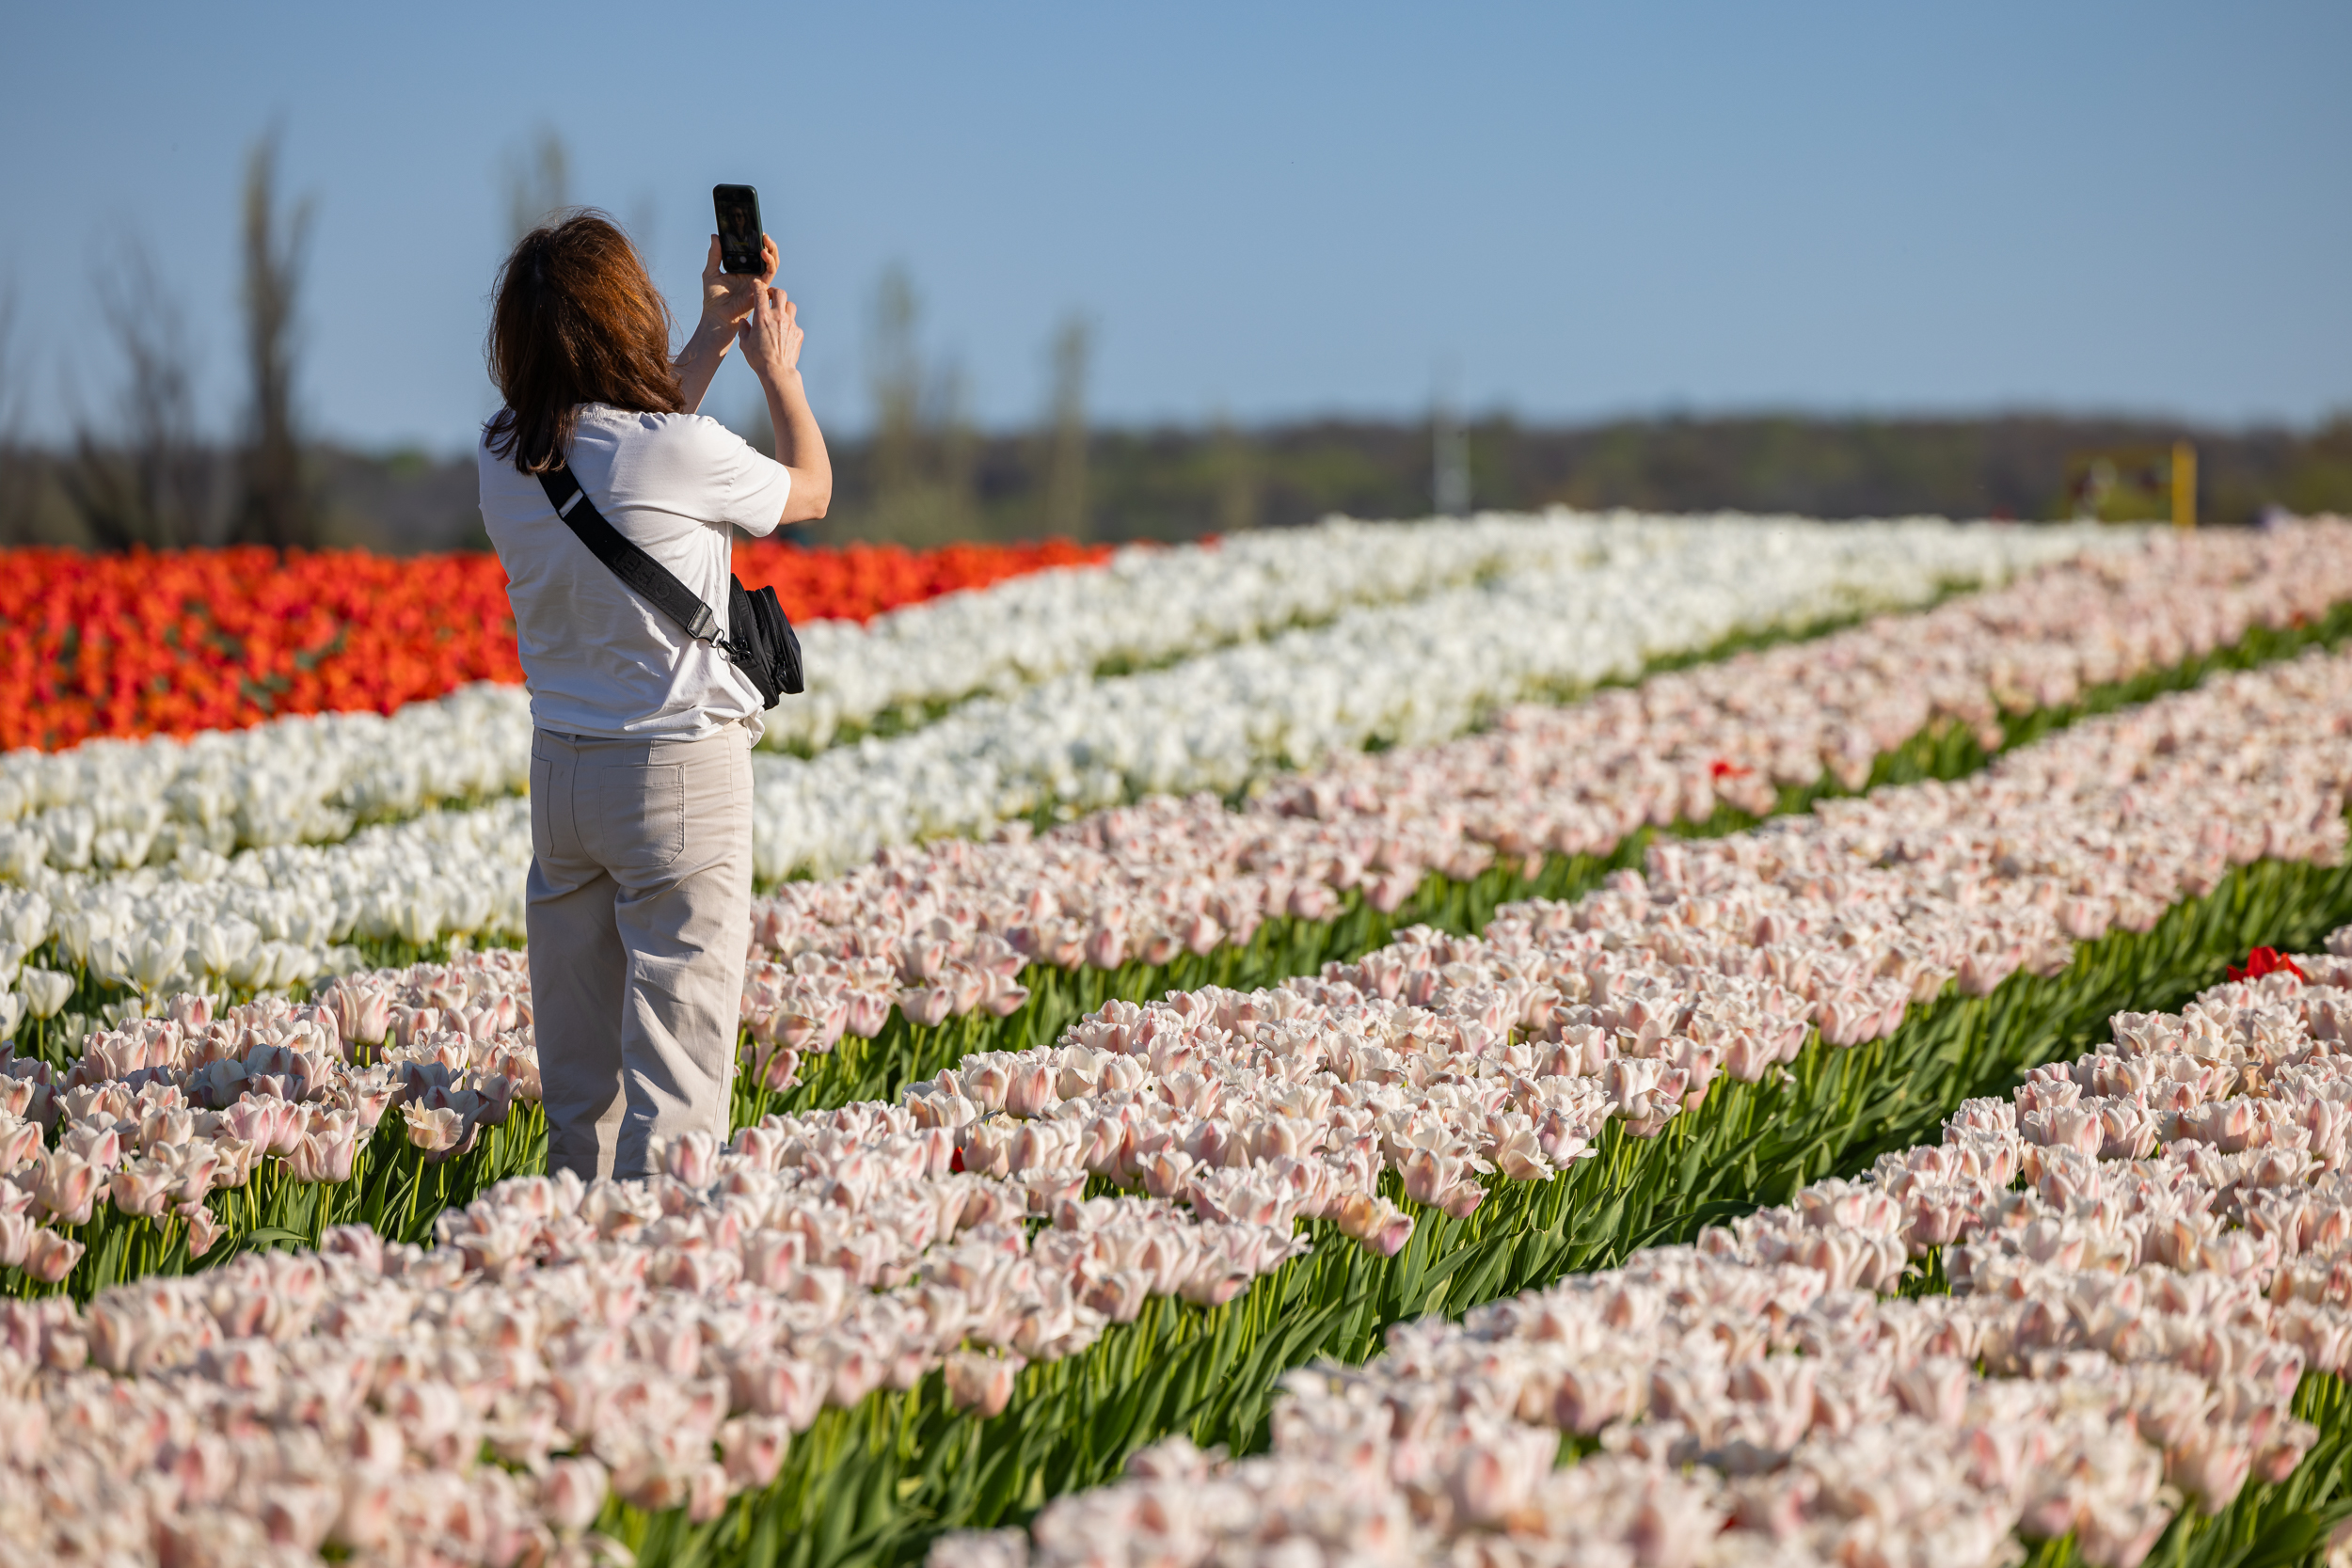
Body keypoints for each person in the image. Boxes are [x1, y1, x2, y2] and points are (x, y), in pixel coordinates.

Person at [477, 210, 830, 1180]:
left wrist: (714, 336)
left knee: (582, 1097)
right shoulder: (684, 449)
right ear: (630, 316)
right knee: (674, 1092)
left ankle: (563, 1285)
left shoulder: (503, 455)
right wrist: (776, 369)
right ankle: (651, 1294)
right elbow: (808, 491)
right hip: (678, 773)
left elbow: (623, 447)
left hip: (562, 782)